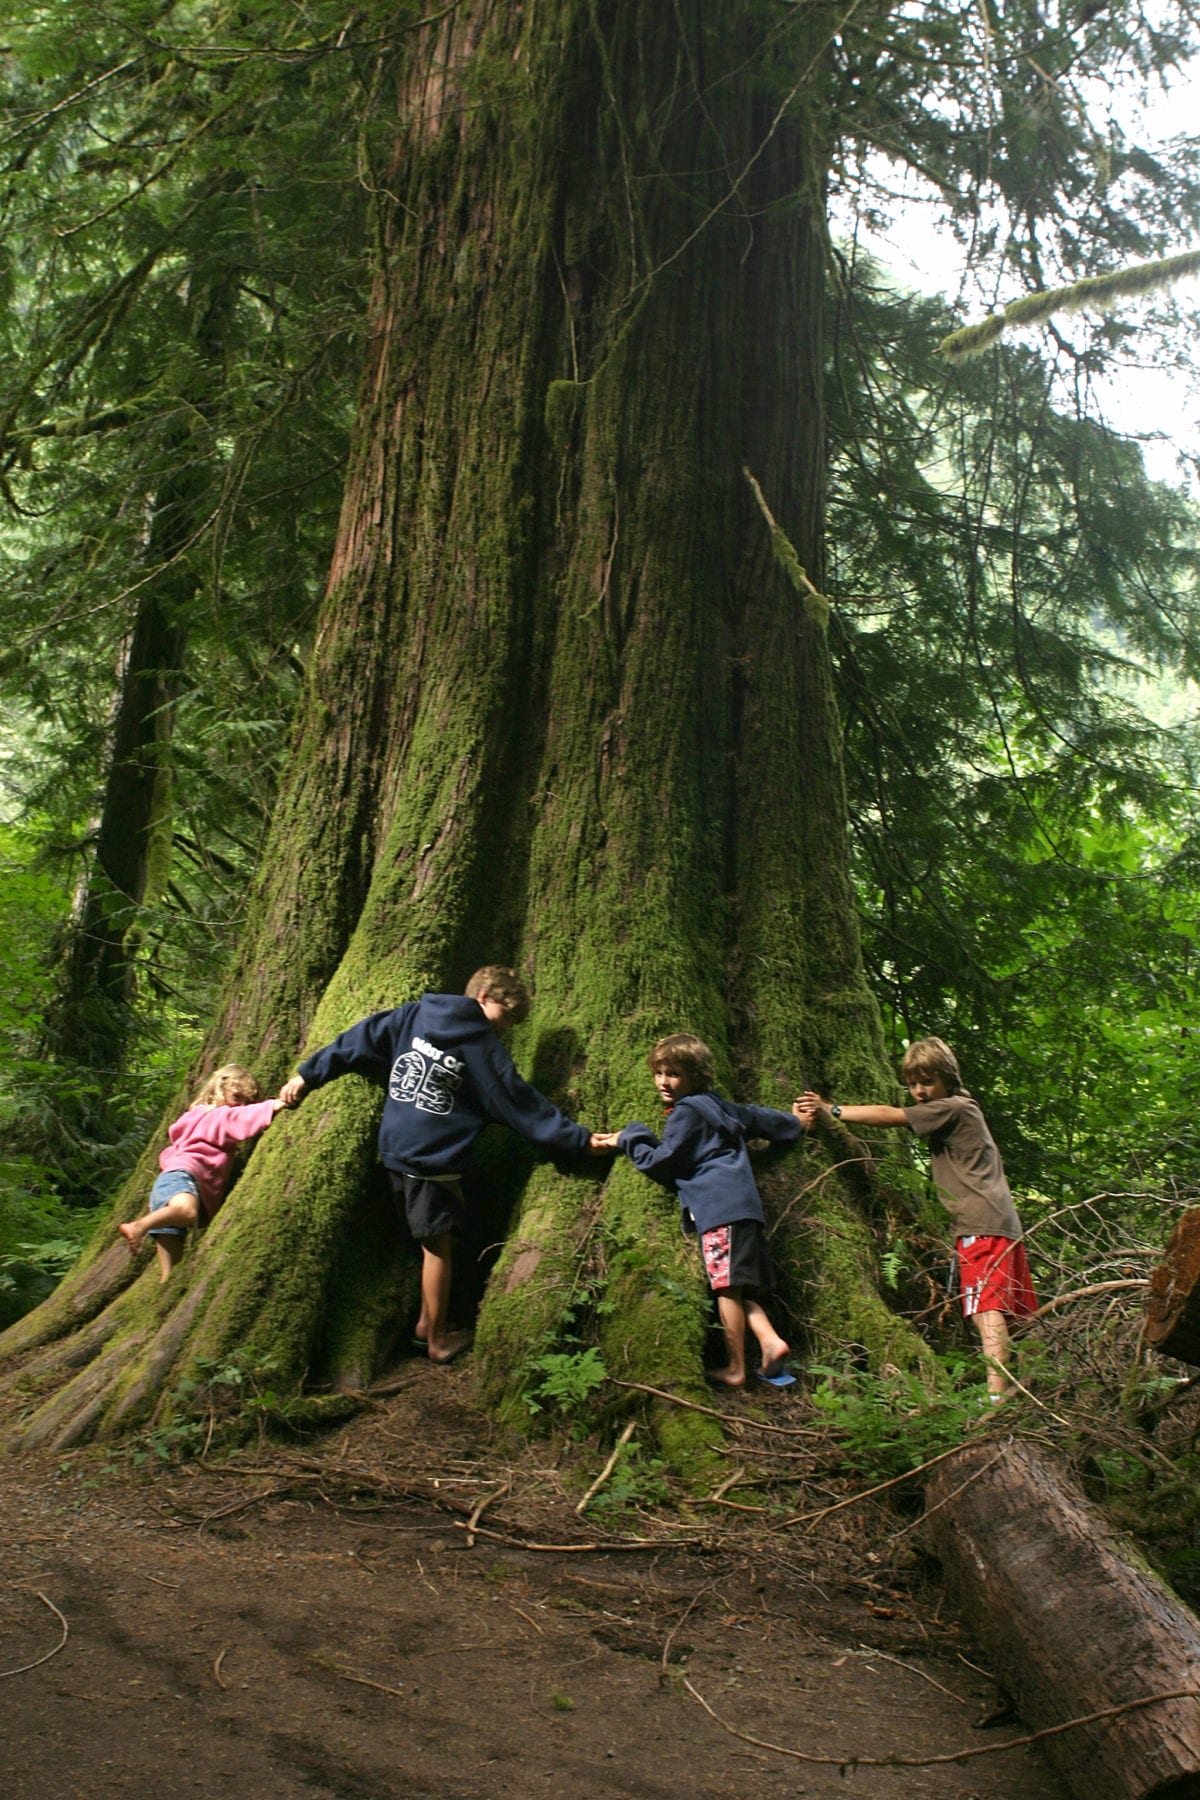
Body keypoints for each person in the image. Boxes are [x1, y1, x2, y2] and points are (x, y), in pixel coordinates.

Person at [279, 966, 607, 1364]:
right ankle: (435, 1339)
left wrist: (308, 1074)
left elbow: (359, 1038)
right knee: (438, 1248)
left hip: (396, 1150)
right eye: (507, 1016)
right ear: (484, 996)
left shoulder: (415, 1014)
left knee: (434, 1241)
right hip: (432, 1162)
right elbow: (520, 1104)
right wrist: (577, 1140)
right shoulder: (483, 1050)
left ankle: (423, 1324)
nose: (507, 1029)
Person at [796, 1036, 1037, 1401]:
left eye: (927, 1082)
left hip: (980, 1225)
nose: (919, 1092)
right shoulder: (964, 1108)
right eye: (911, 1084)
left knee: (985, 1310)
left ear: (947, 1079)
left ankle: (996, 1397)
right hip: (1002, 1223)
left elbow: (889, 1116)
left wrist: (833, 1110)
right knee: (1014, 1313)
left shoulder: (952, 1107)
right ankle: (1033, 1385)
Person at [593, 1032, 804, 1388]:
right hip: (743, 1206)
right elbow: (756, 1118)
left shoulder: (686, 1113)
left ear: (694, 1075)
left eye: (673, 1074)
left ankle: (736, 1368)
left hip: (718, 1208)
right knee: (737, 1286)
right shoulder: (717, 1105)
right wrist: (795, 1123)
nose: (663, 1082)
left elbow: (665, 1162)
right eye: (658, 1073)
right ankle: (770, 1341)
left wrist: (630, 1136)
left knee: (725, 1288)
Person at [118, 1065, 286, 1283]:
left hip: (168, 1179)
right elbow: (243, 1117)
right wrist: (276, 1104)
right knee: (186, 1213)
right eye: (237, 1097)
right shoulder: (220, 1116)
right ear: (219, 1089)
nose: (241, 1105)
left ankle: (166, 1285)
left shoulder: (195, 1115)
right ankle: (138, 1226)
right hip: (183, 1177)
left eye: (247, 1101)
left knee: (171, 1256)